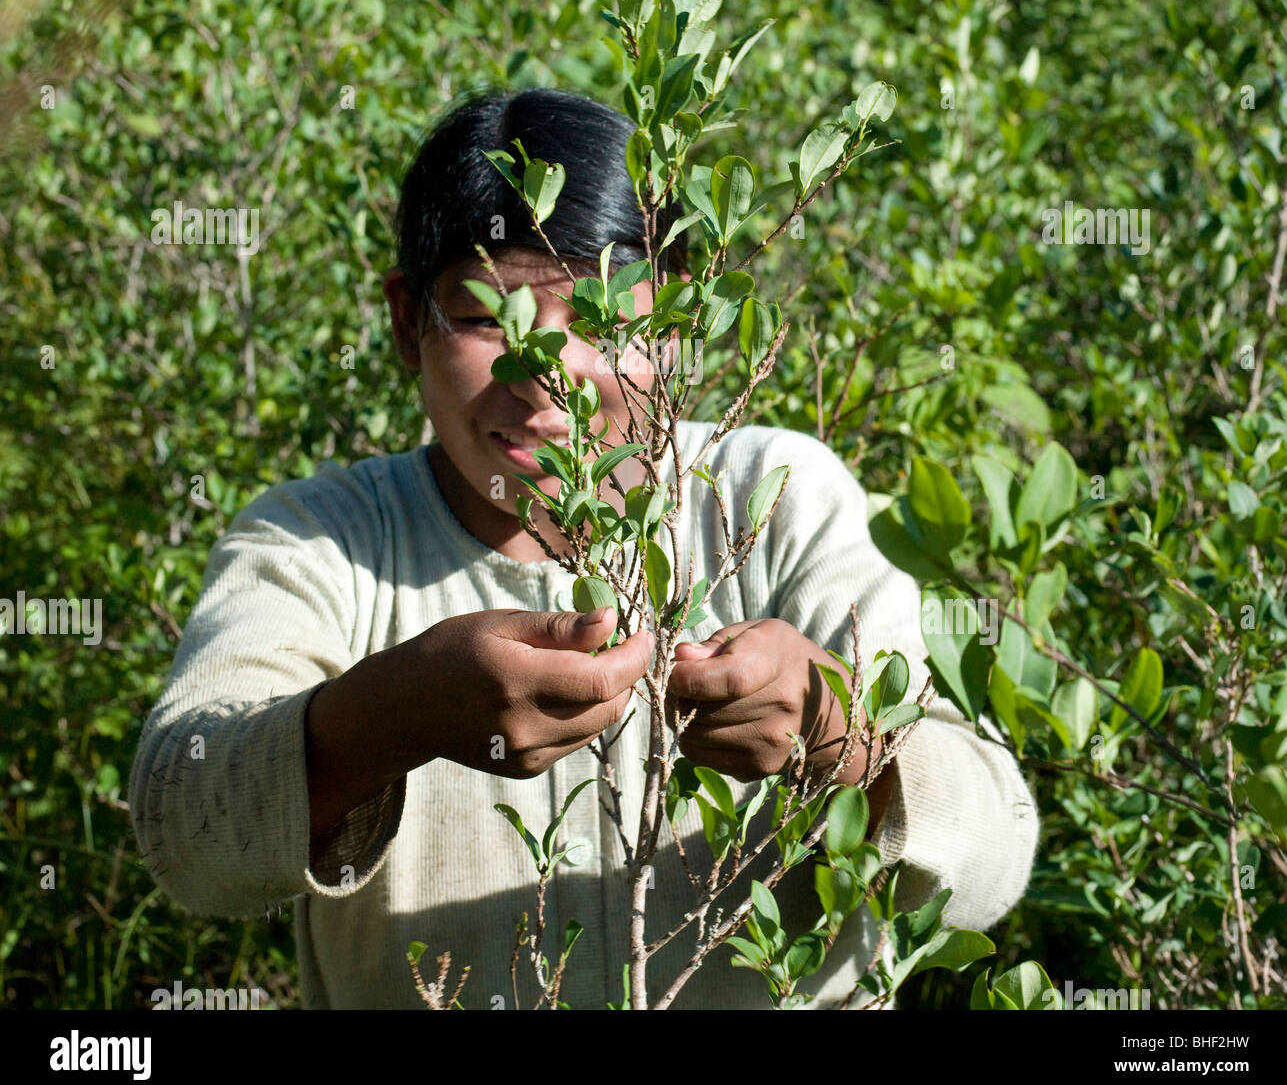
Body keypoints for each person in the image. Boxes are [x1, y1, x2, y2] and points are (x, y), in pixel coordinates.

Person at [130, 85, 1039, 1009]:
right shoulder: (320, 538)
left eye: (606, 323)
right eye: (491, 318)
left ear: (679, 324)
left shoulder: (778, 501)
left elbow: (992, 855)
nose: (547, 377)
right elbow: (182, 826)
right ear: (410, 322)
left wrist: (837, 735)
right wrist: (390, 715)